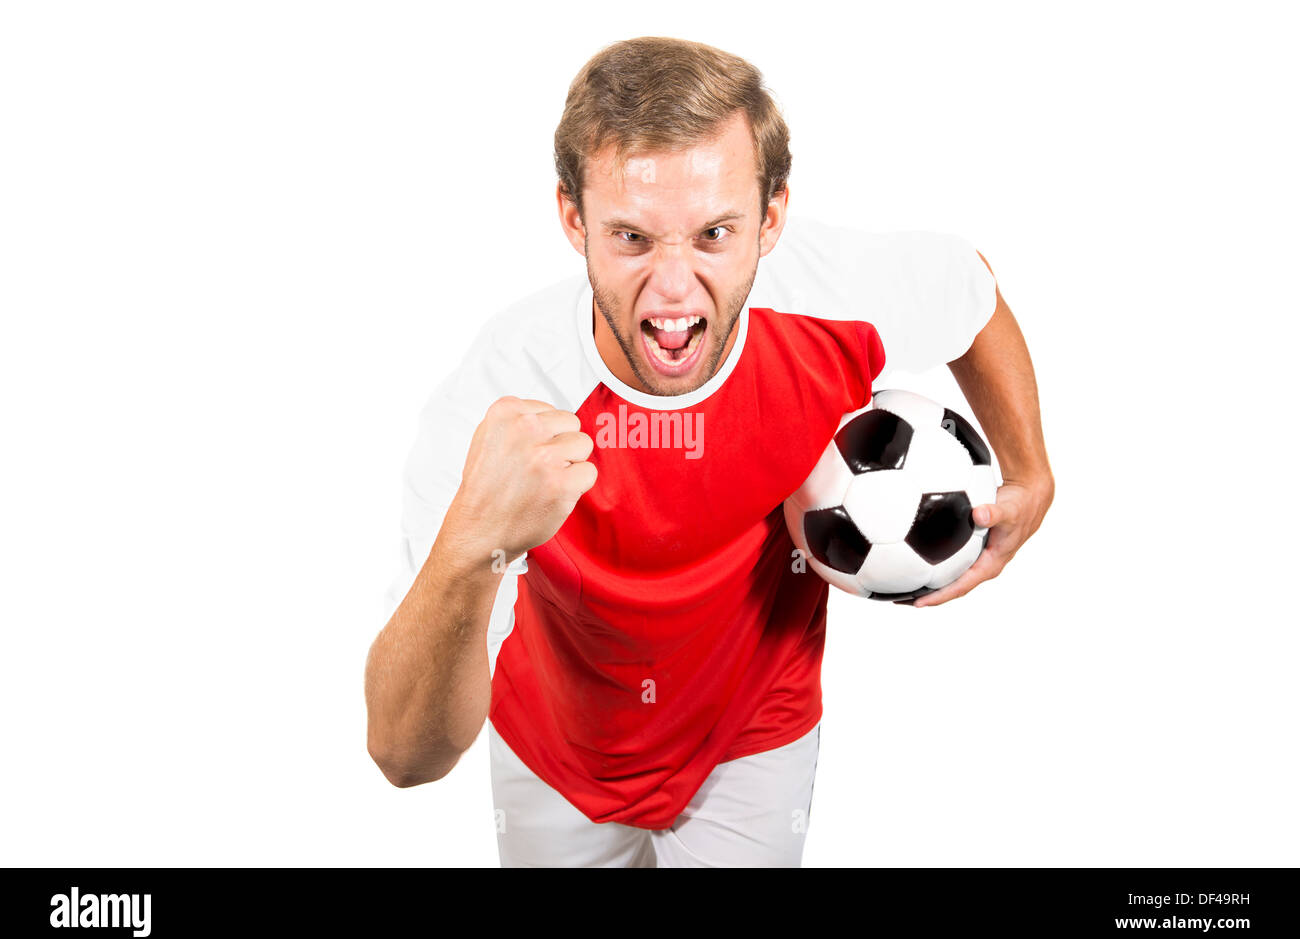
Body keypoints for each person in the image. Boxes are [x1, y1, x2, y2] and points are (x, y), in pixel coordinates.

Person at [363, 36, 1054, 867]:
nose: (674, 287)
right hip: (557, 747)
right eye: (631, 238)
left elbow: (969, 290)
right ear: (572, 219)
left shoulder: (829, 297)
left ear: (771, 219)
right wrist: (470, 545)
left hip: (754, 728)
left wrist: (1032, 474)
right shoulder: (504, 396)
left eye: (715, 233)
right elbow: (405, 755)